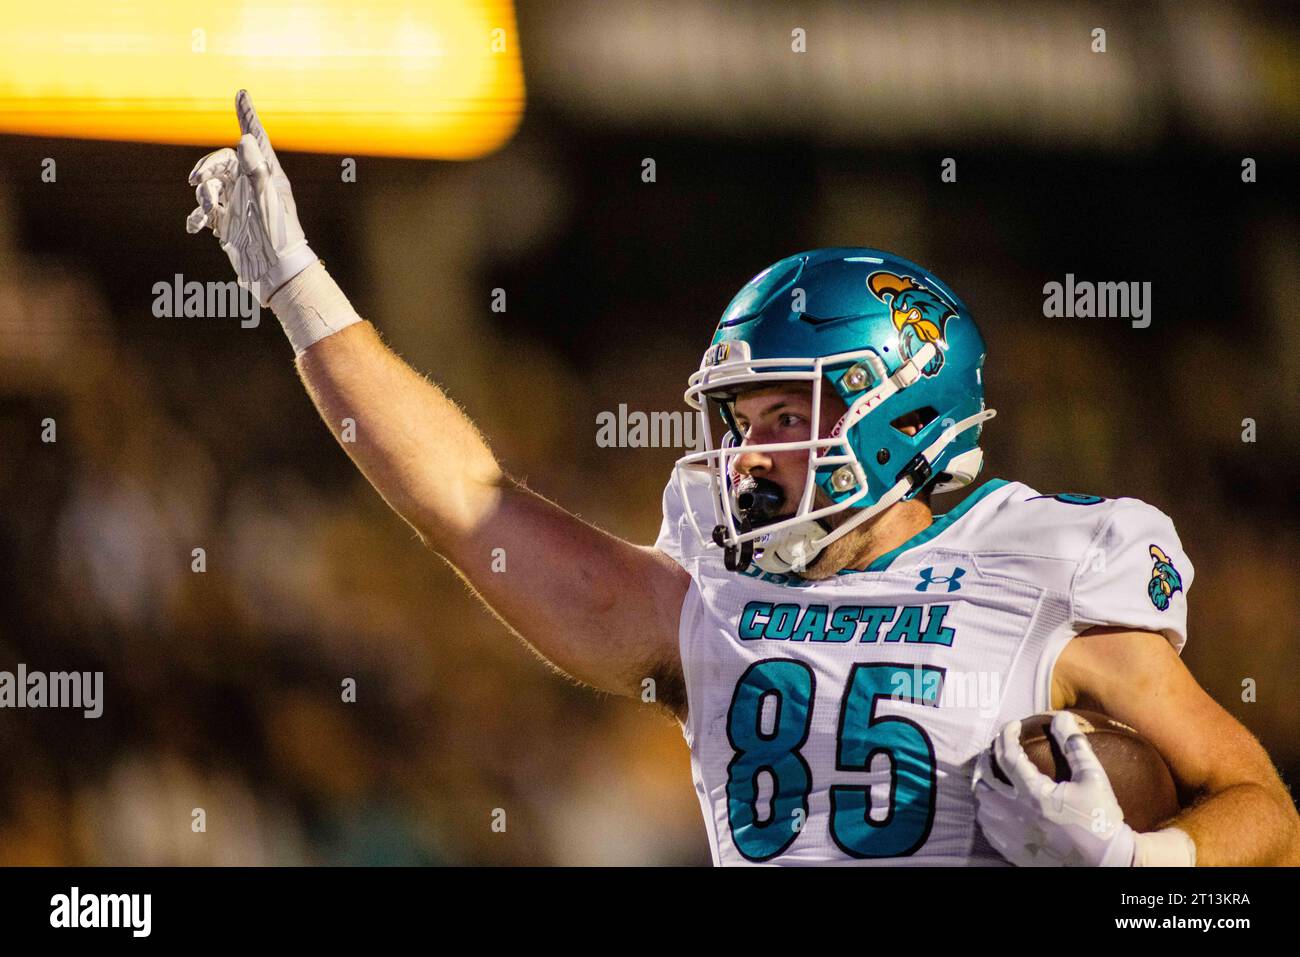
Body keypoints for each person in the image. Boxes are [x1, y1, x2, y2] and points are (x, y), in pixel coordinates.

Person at [185, 90, 1300, 866]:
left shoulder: (1046, 561)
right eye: (740, 417)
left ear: (905, 407)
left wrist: (1145, 864)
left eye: (787, 413)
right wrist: (297, 291)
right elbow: (467, 503)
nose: (749, 451)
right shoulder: (710, 589)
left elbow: (1264, 816)